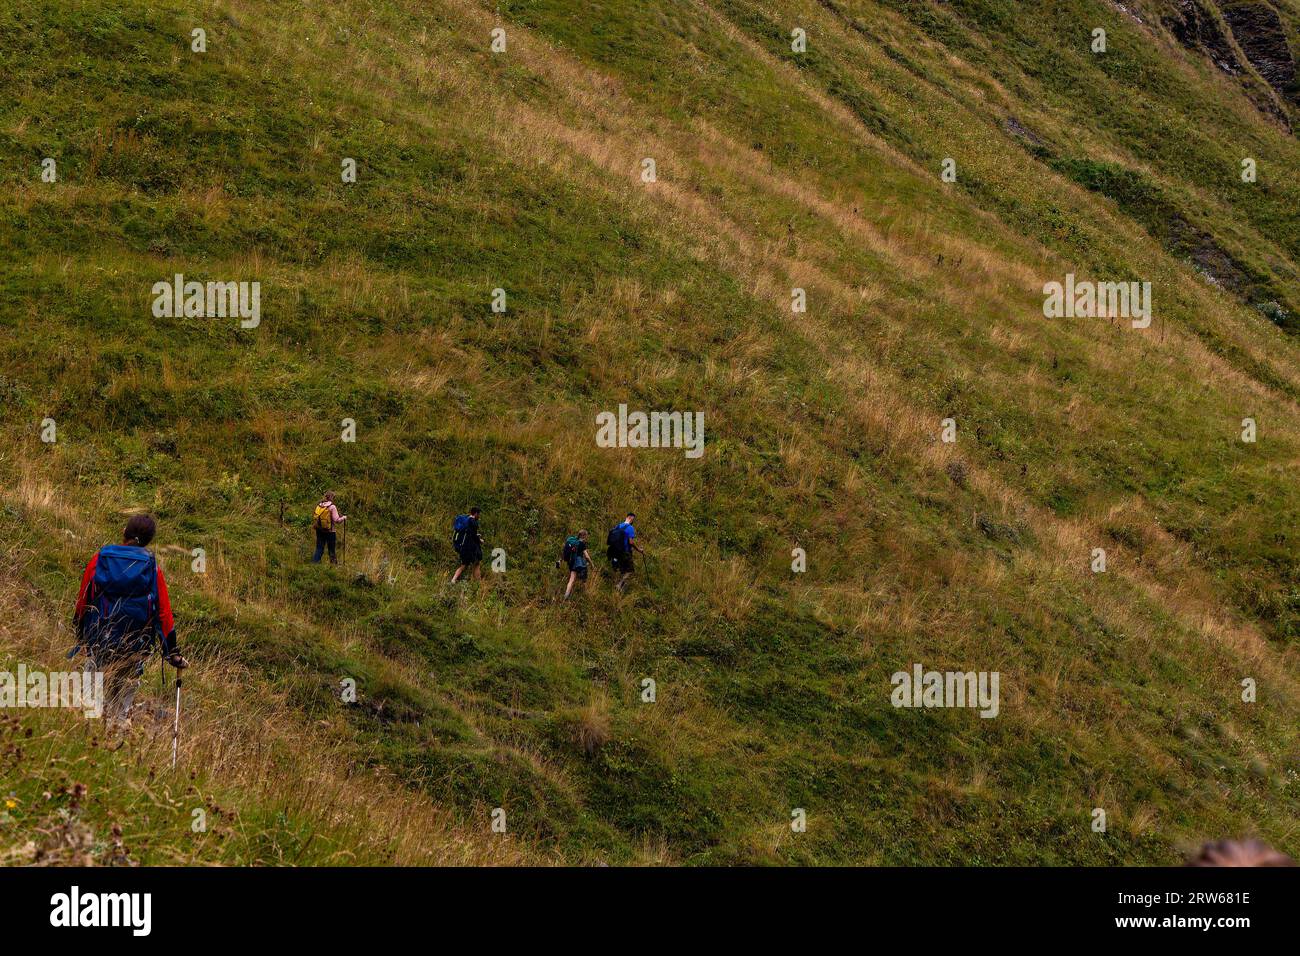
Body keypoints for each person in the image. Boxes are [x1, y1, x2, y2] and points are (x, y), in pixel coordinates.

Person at [73, 514, 188, 726]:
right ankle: (115, 731)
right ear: (148, 541)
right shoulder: (152, 568)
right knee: (120, 703)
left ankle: (88, 735)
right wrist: (171, 651)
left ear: (124, 532)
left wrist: (80, 633)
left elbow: (84, 598)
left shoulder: (100, 559)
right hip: (134, 646)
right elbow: (162, 612)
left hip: (99, 638)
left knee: (92, 698)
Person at [606, 513, 644, 592]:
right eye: (633, 519)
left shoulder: (618, 526)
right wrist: (639, 550)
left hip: (616, 551)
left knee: (622, 570)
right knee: (630, 571)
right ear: (630, 518)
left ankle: (619, 590)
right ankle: (619, 585)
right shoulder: (630, 528)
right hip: (625, 552)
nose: (633, 521)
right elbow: (631, 542)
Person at [312, 492, 347, 564]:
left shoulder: (320, 505)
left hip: (319, 530)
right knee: (331, 549)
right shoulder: (332, 507)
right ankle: (333, 565)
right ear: (332, 497)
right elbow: (337, 520)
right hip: (330, 531)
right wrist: (344, 518)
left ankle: (314, 563)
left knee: (319, 548)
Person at [451, 507, 484, 583]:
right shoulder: (473, 522)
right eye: (479, 514)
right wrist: (480, 540)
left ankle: (453, 580)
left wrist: (476, 535)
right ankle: (478, 583)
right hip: (469, 548)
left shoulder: (466, 519)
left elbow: (469, 533)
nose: (479, 516)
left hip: (462, 547)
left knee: (464, 565)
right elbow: (473, 536)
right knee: (477, 563)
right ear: (476, 513)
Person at [561, 530, 593, 600]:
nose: (587, 537)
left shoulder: (573, 541)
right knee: (583, 577)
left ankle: (566, 595)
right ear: (583, 536)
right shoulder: (582, 544)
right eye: (586, 536)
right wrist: (592, 564)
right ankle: (585, 593)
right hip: (578, 564)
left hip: (571, 563)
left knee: (571, 580)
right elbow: (587, 556)